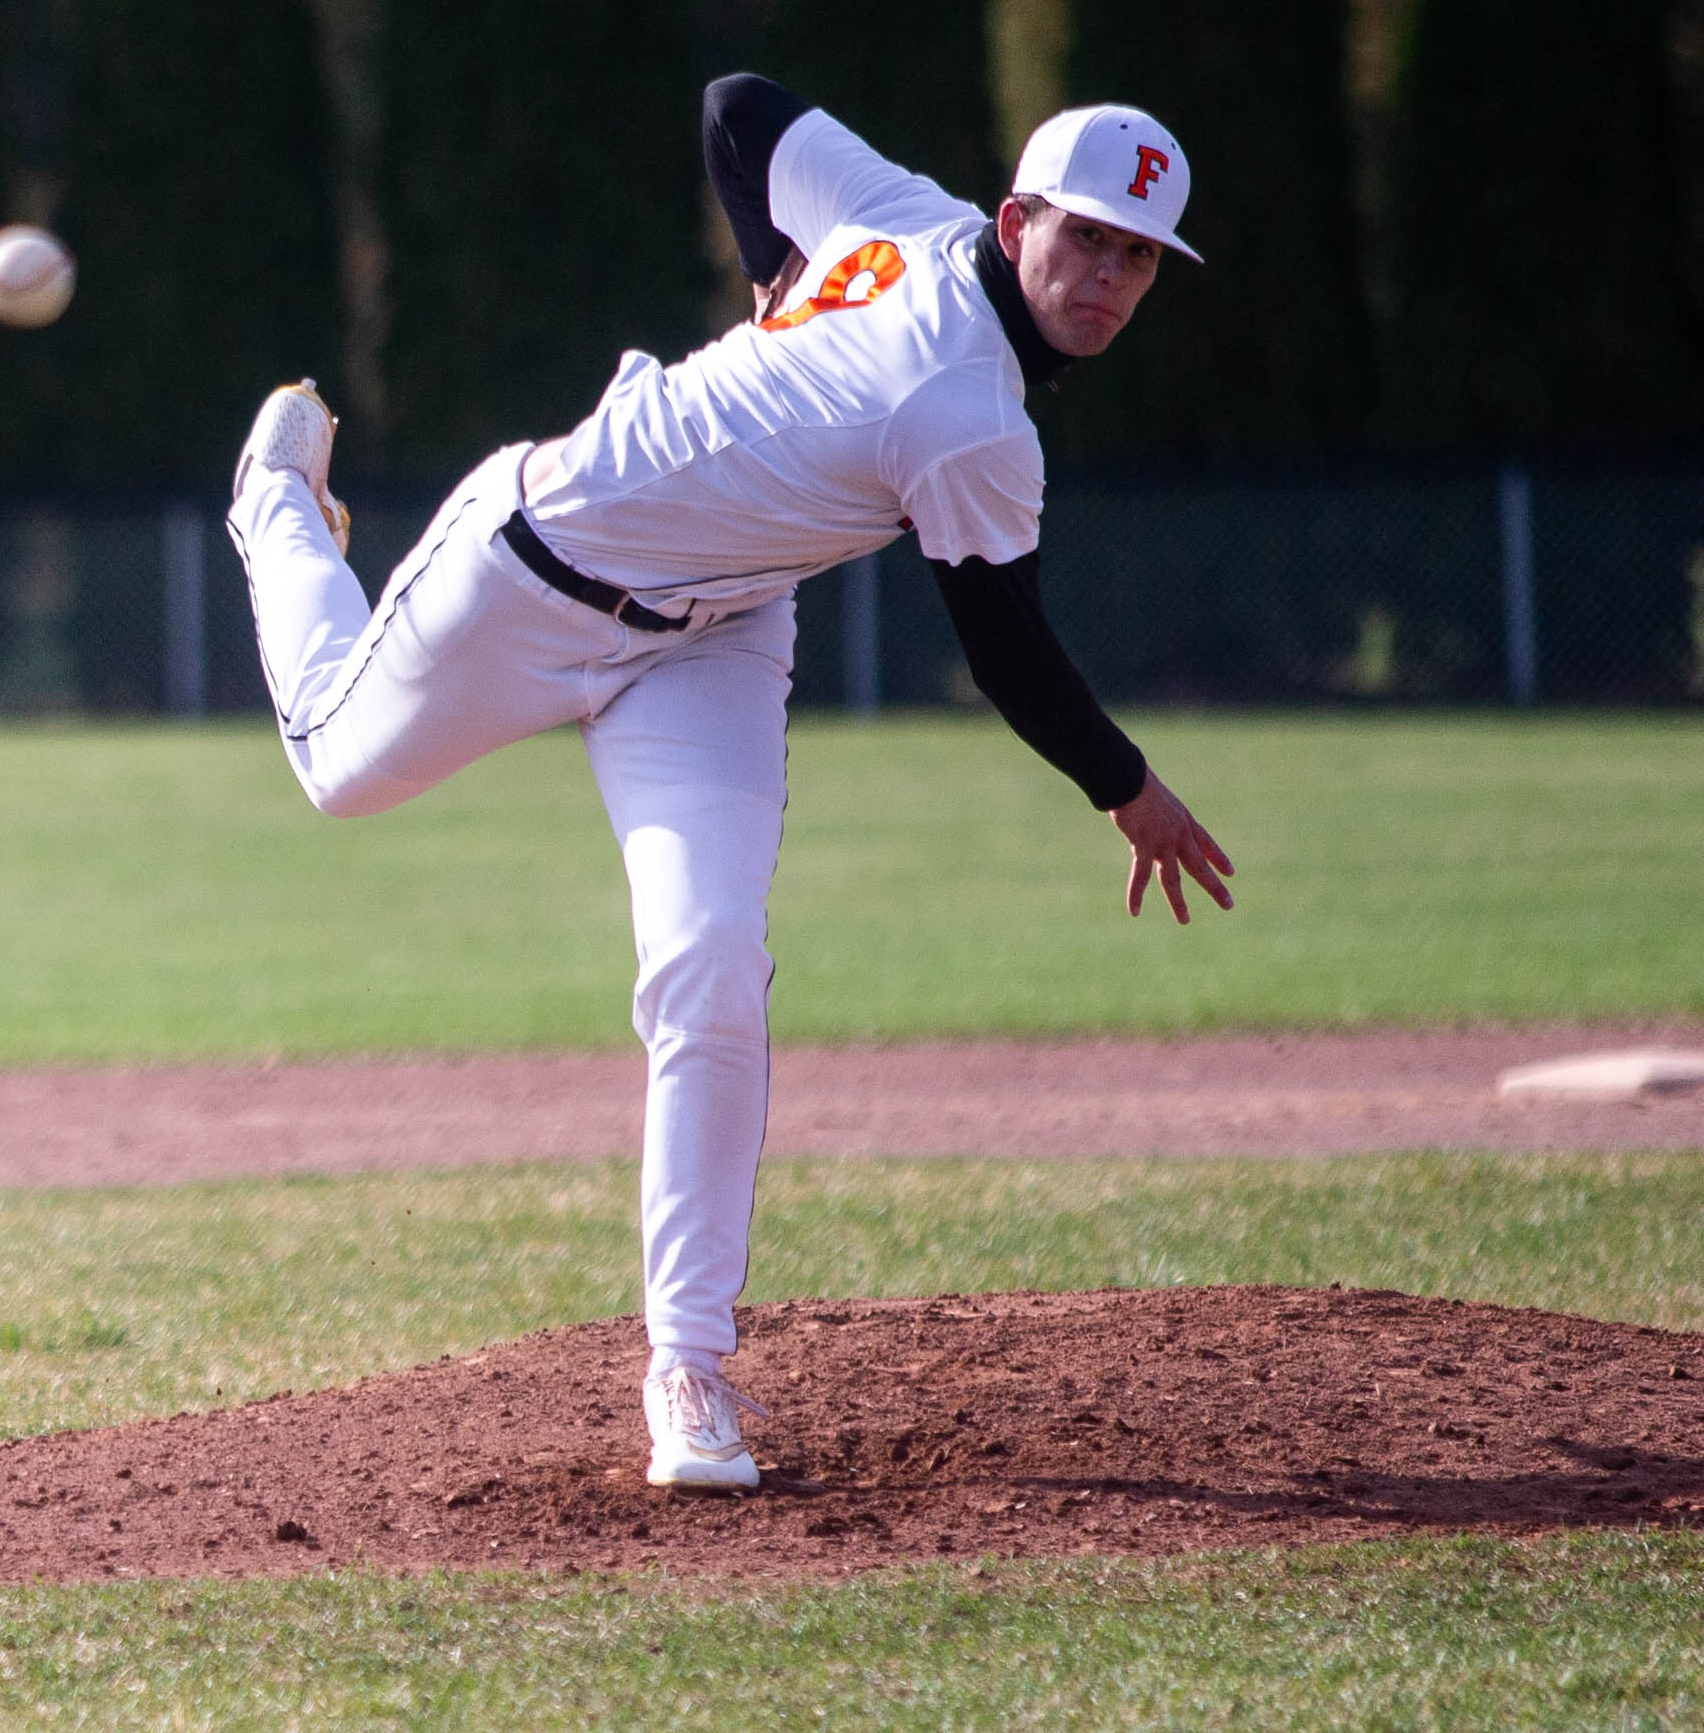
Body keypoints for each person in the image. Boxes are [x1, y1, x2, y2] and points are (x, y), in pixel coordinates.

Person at [229, 81, 1242, 1492]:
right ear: (1014, 223)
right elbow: (1004, 647)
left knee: (709, 963)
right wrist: (1130, 788)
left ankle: (686, 1369)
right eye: (1088, 239)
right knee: (336, 769)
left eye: (1142, 257)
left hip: (715, 637)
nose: (1112, 279)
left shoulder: (904, 222)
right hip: (533, 569)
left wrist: (775, 270)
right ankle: (274, 507)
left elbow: (738, 115)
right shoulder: (968, 409)